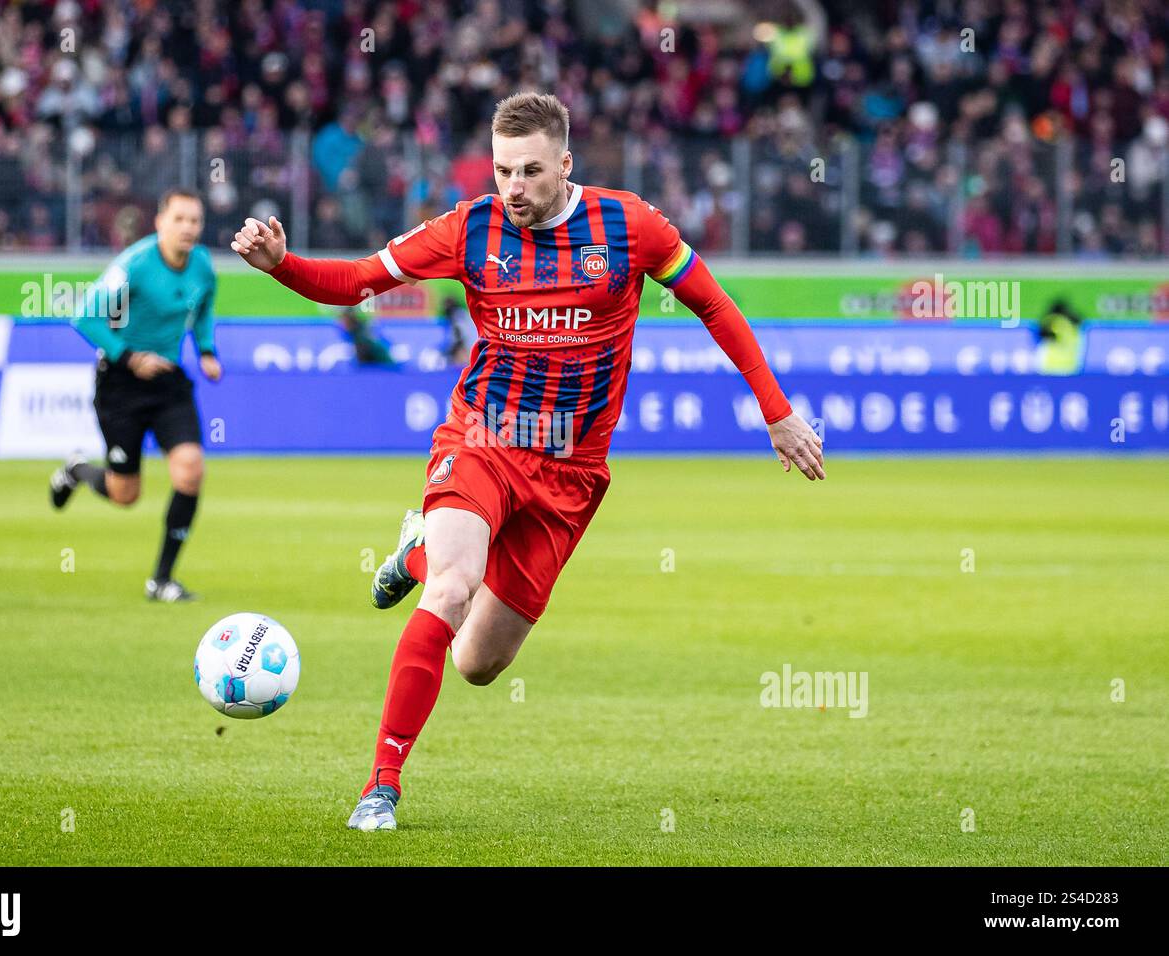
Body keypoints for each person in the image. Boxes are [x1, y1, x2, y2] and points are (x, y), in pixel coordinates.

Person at [231, 92, 824, 830]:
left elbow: (715, 306)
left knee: (477, 663)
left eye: (531, 171)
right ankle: (381, 786)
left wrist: (777, 410)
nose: (513, 187)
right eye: (504, 170)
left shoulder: (631, 226)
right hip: (482, 439)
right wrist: (281, 264)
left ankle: (414, 550)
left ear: (566, 165)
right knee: (451, 591)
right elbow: (356, 281)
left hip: (571, 473)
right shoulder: (468, 228)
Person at [49, 187, 221, 603]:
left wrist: (207, 349)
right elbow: (84, 317)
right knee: (125, 494)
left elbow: (203, 309)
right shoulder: (133, 265)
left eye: (195, 220)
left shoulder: (202, 266)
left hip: (168, 382)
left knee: (190, 470)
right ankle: (77, 471)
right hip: (121, 384)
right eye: (179, 219)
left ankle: (161, 580)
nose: (188, 228)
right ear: (160, 222)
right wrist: (129, 357)